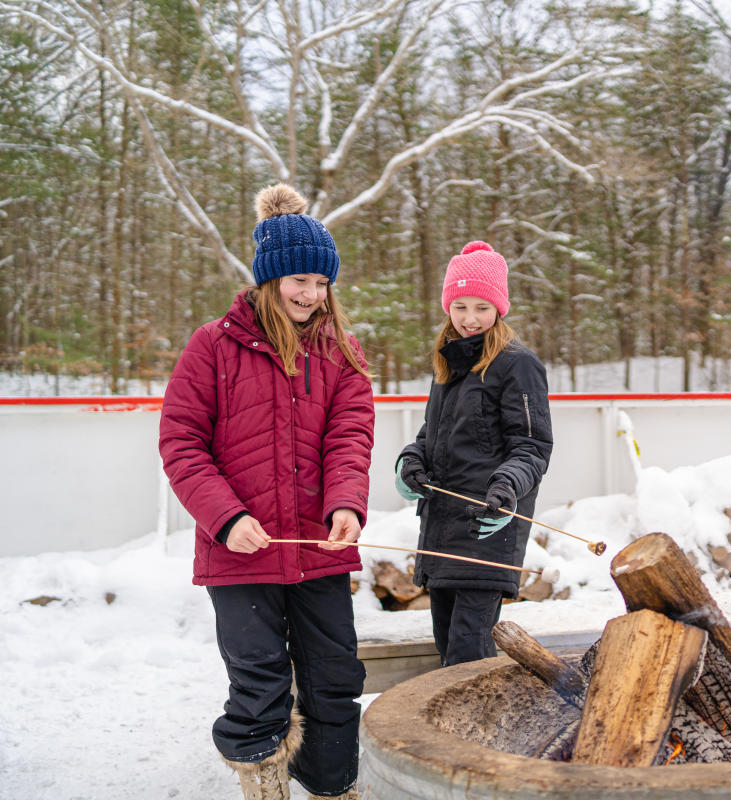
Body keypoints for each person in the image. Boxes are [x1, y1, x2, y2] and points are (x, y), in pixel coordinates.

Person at [159, 184, 374, 800]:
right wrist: (225, 519)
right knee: (257, 678)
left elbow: (351, 437)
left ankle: (333, 785)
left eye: (321, 282)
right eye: (298, 280)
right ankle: (265, 784)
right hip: (239, 551)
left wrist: (345, 502)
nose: (310, 294)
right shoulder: (213, 346)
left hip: (318, 547)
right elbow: (181, 443)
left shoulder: (341, 352)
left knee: (334, 676)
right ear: (267, 279)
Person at [394, 241, 553, 667]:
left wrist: (507, 487)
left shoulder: (518, 365)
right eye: (460, 306)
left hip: (487, 527)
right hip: (443, 529)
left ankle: (475, 737)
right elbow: (434, 433)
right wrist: (412, 460)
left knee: (468, 657)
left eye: (481, 307)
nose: (469, 319)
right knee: (448, 647)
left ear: (499, 308)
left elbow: (533, 446)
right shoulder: (449, 363)